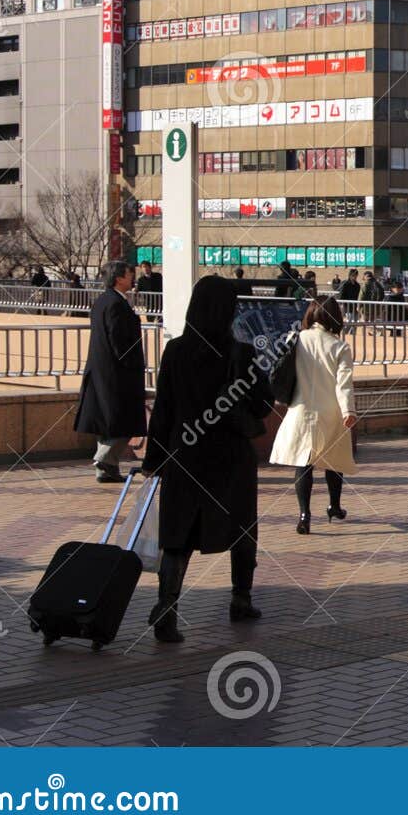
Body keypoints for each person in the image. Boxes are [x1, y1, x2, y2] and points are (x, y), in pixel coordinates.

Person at [140, 275, 272, 643]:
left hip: (185, 455)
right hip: (231, 458)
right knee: (241, 528)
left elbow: (163, 411)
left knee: (178, 534)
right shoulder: (241, 354)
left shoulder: (175, 351)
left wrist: (154, 459)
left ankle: (167, 608)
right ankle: (241, 599)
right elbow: (264, 403)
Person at [269, 296, 358, 535]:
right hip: (331, 411)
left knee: (304, 462)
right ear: (336, 317)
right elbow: (344, 384)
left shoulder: (296, 339)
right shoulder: (340, 347)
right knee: (334, 461)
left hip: (301, 409)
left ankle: (304, 515)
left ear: (311, 314)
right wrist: (348, 411)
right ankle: (334, 506)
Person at [74, 261, 148, 484]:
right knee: (122, 420)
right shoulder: (116, 304)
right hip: (116, 373)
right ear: (118, 278)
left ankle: (107, 469)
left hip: (103, 372)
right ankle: (103, 459)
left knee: (109, 423)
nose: (132, 277)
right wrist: (132, 365)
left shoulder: (103, 301)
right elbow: (119, 341)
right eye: (129, 274)